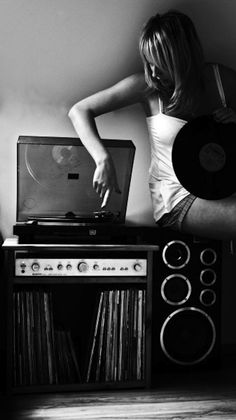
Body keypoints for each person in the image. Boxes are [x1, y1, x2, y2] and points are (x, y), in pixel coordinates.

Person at [68, 10, 236, 240]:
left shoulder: (220, 79)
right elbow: (79, 111)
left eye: (161, 64)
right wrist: (102, 159)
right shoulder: (147, 89)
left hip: (225, 190)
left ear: (181, 58)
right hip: (176, 199)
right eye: (149, 63)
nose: (154, 73)